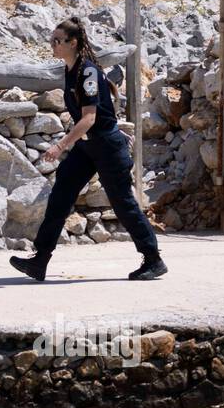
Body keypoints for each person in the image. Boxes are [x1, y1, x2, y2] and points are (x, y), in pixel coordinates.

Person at [10, 16, 167, 282]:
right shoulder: (70, 70)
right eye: (52, 40)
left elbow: (89, 118)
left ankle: (153, 259)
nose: (53, 44)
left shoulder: (88, 72)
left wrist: (60, 145)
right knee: (61, 194)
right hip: (87, 147)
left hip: (107, 144)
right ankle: (40, 260)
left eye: (58, 41)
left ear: (73, 43)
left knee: (123, 204)